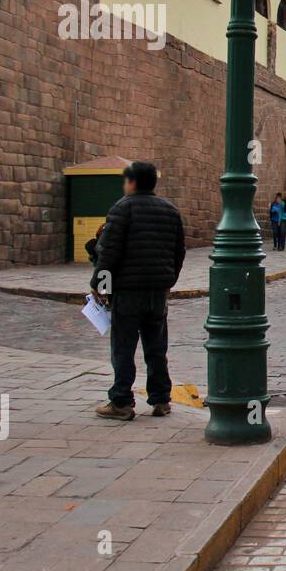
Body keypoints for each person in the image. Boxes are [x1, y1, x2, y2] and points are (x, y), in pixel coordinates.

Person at [91, 162, 185, 421]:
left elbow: (109, 253)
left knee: (123, 347)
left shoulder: (122, 209)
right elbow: (179, 252)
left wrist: (100, 285)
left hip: (128, 291)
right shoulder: (171, 210)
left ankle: (121, 401)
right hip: (158, 291)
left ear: (132, 182)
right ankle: (161, 399)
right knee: (156, 347)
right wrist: (167, 280)